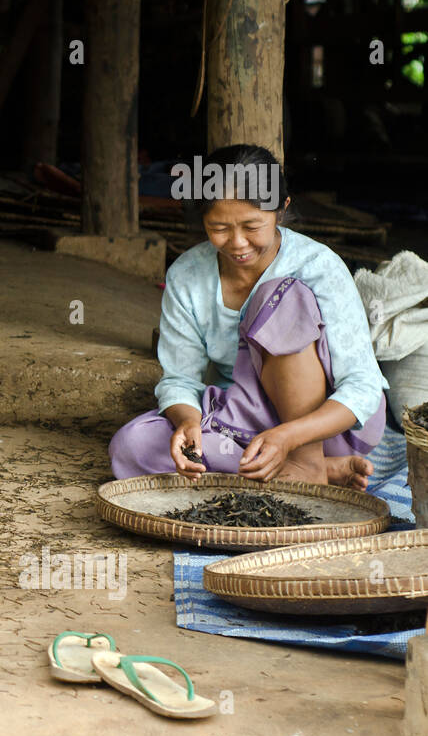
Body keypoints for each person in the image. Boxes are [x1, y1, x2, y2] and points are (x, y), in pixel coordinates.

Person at [109, 143, 387, 489]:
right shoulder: (187, 275)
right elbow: (180, 379)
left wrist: (291, 437)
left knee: (279, 298)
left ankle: (306, 463)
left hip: (329, 426)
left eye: (252, 226)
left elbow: (362, 388)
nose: (237, 243)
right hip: (242, 419)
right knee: (131, 447)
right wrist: (188, 422)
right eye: (219, 228)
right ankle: (320, 470)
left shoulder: (318, 266)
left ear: (281, 211)